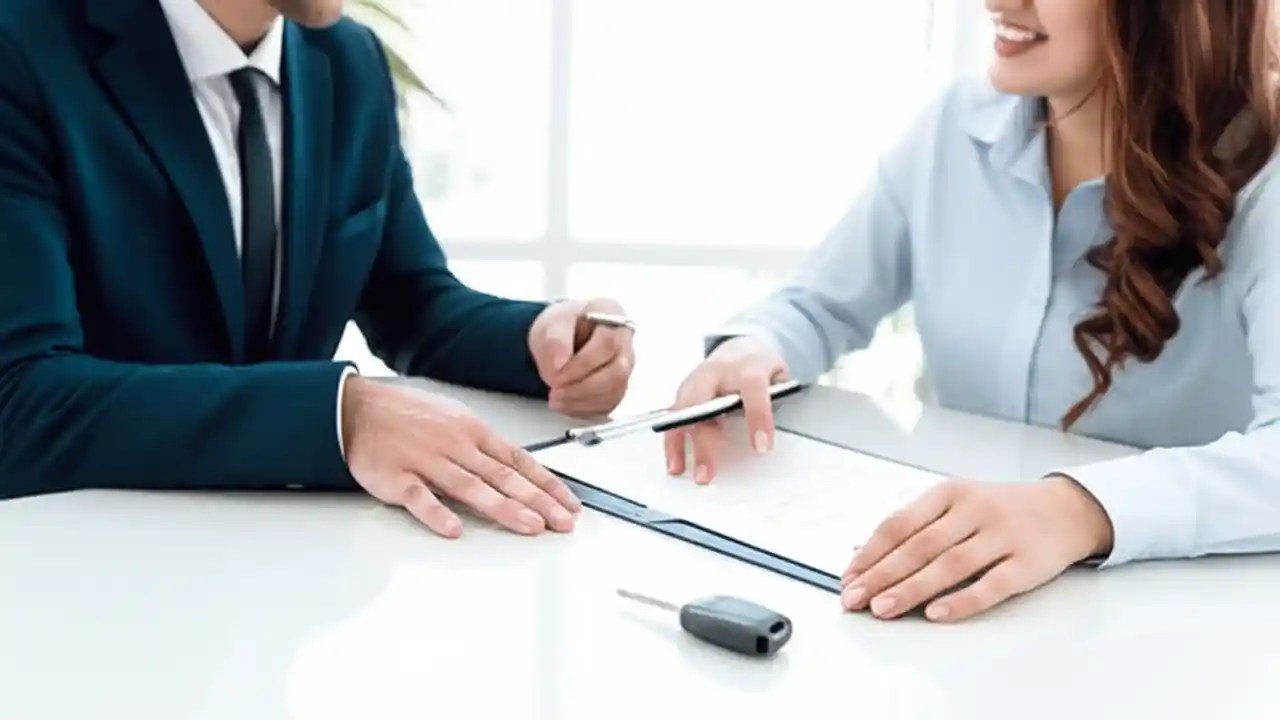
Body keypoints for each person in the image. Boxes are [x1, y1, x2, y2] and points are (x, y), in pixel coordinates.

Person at [666, 0, 1280, 622]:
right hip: (946, 599)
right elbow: (817, 305)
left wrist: (1082, 509)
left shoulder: (1267, 175)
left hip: (1176, 623)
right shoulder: (952, 130)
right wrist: (755, 347)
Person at [0, 0, 637, 538]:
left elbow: (412, 302)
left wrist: (542, 341)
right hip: (79, 574)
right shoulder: (22, 49)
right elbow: (18, 400)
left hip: (278, 571)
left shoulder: (347, 60)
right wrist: (338, 417)